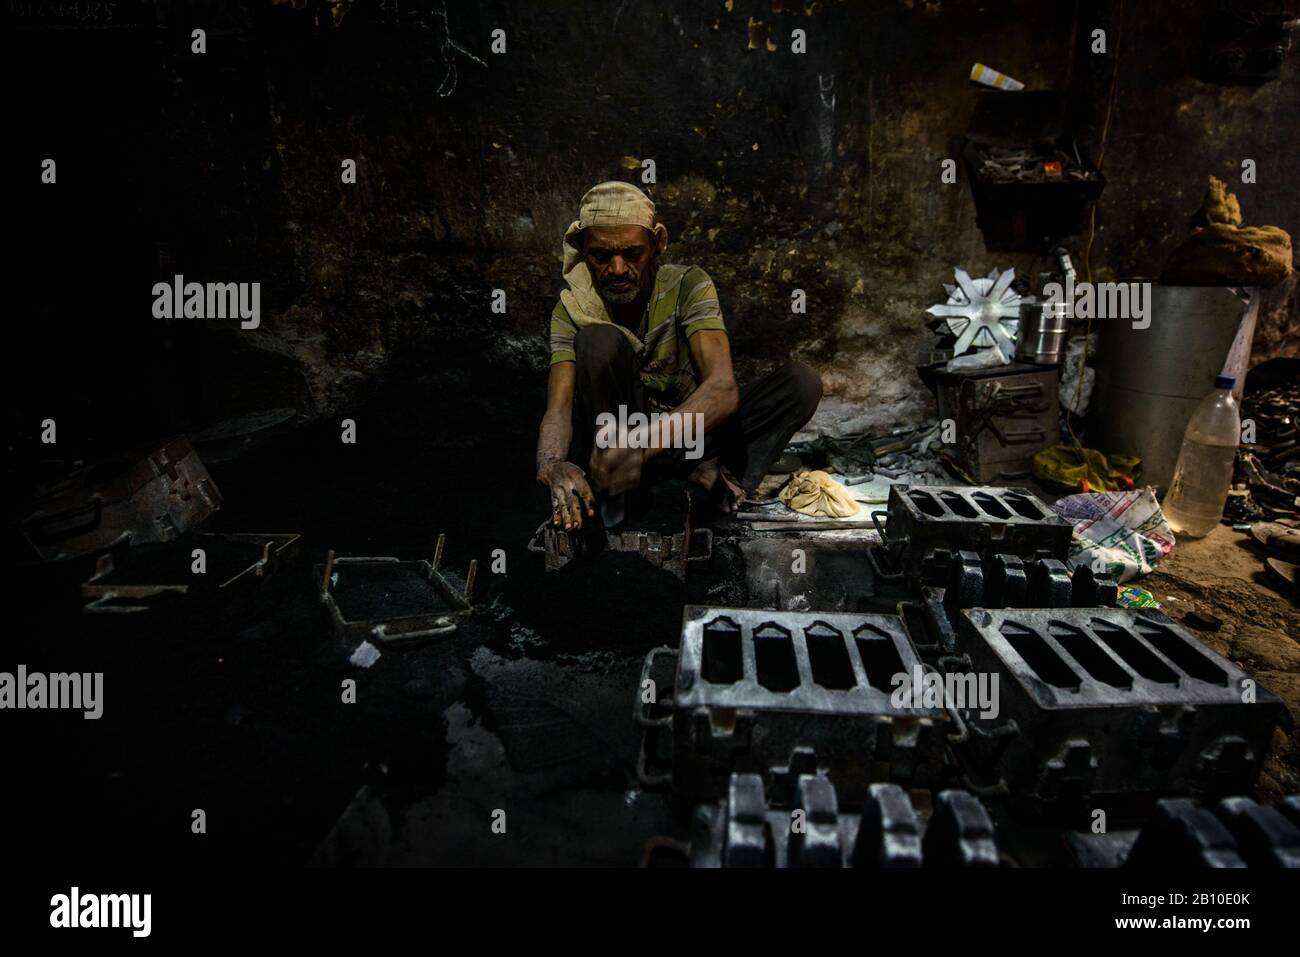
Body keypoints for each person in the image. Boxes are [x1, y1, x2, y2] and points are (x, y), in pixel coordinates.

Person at [536, 181, 822, 531]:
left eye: (632, 253)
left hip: (677, 436)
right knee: (597, 341)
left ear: (655, 244)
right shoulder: (572, 310)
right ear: (582, 249)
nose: (618, 268)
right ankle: (653, 482)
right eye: (601, 255)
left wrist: (640, 447)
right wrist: (552, 465)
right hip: (614, 445)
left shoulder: (688, 285)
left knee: (801, 382)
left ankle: (712, 478)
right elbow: (559, 408)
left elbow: (721, 388)